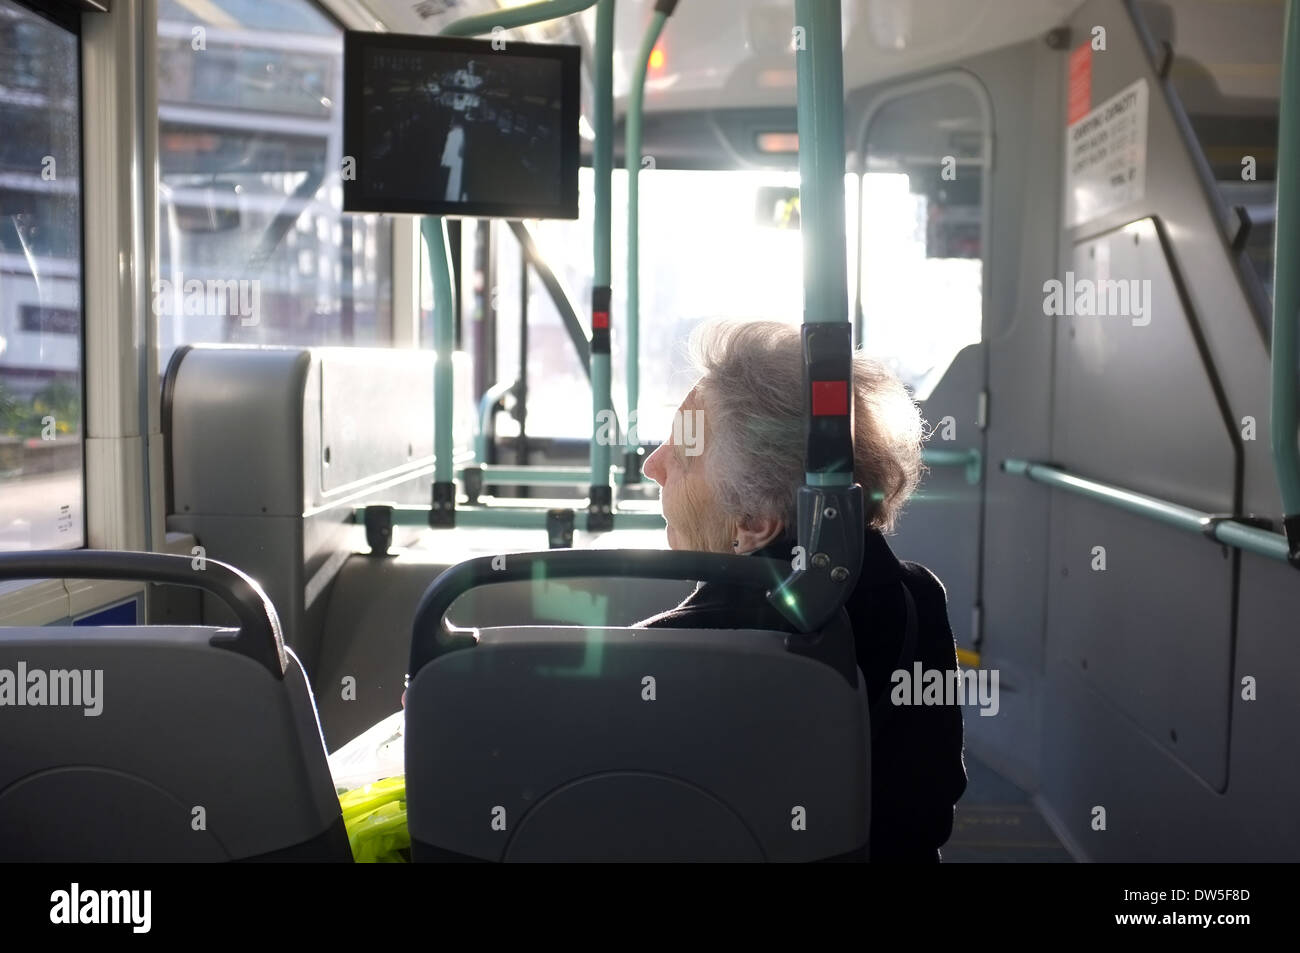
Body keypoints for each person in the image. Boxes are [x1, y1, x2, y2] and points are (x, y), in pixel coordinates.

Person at [636, 319, 967, 862]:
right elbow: (927, 810)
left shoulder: (665, 653)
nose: (653, 465)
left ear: (753, 521)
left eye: (684, 451)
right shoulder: (917, 601)